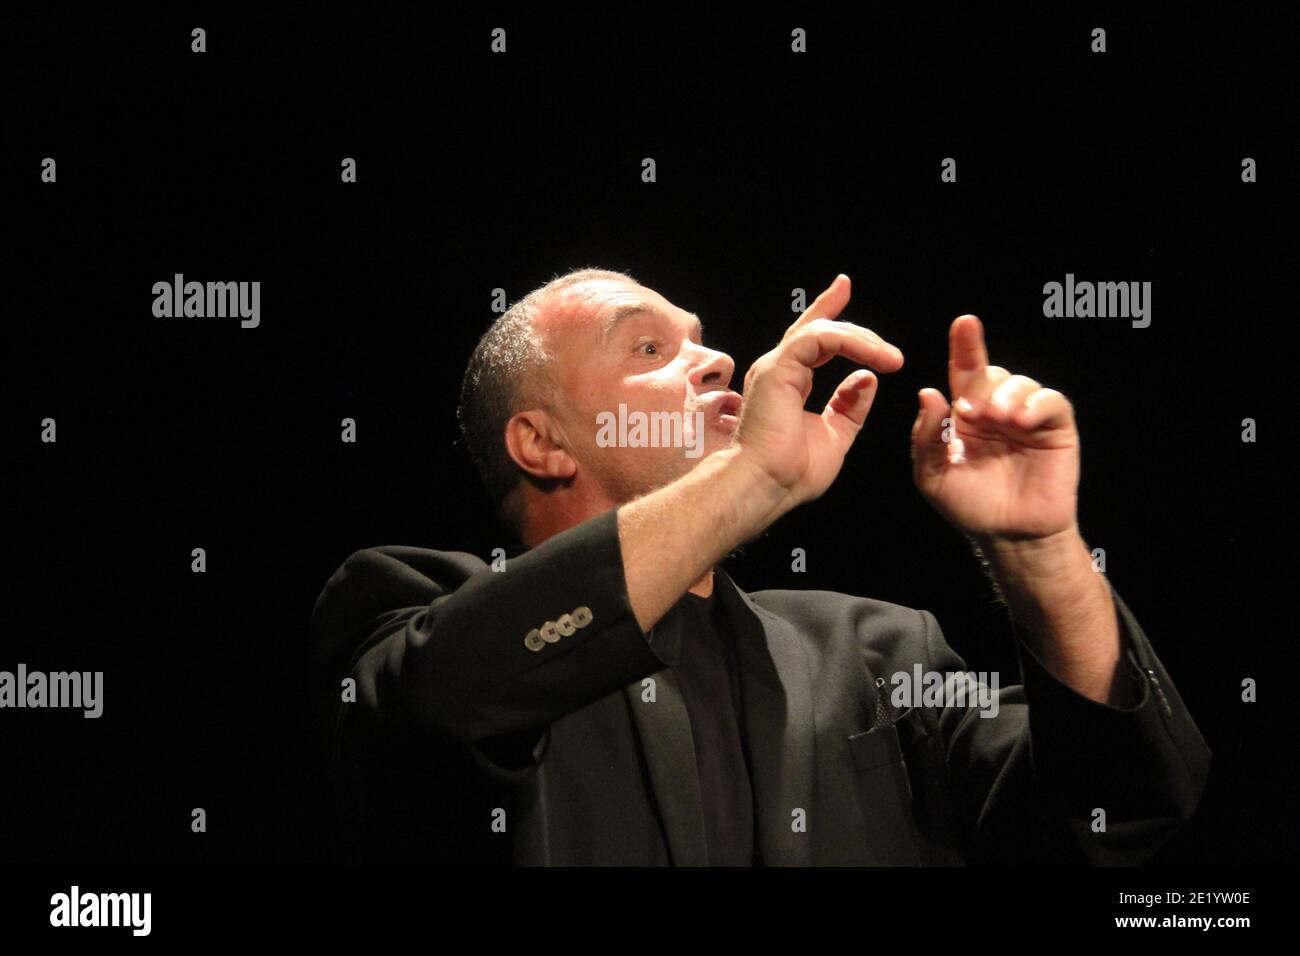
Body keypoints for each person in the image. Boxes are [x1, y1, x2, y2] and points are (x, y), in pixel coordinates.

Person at [309, 268, 1210, 865]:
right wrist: (755, 476)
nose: (719, 360)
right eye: (652, 349)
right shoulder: (410, 604)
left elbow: (1116, 805)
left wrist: (1040, 548)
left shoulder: (878, 653)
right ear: (540, 443)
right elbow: (453, 698)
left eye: (703, 338)